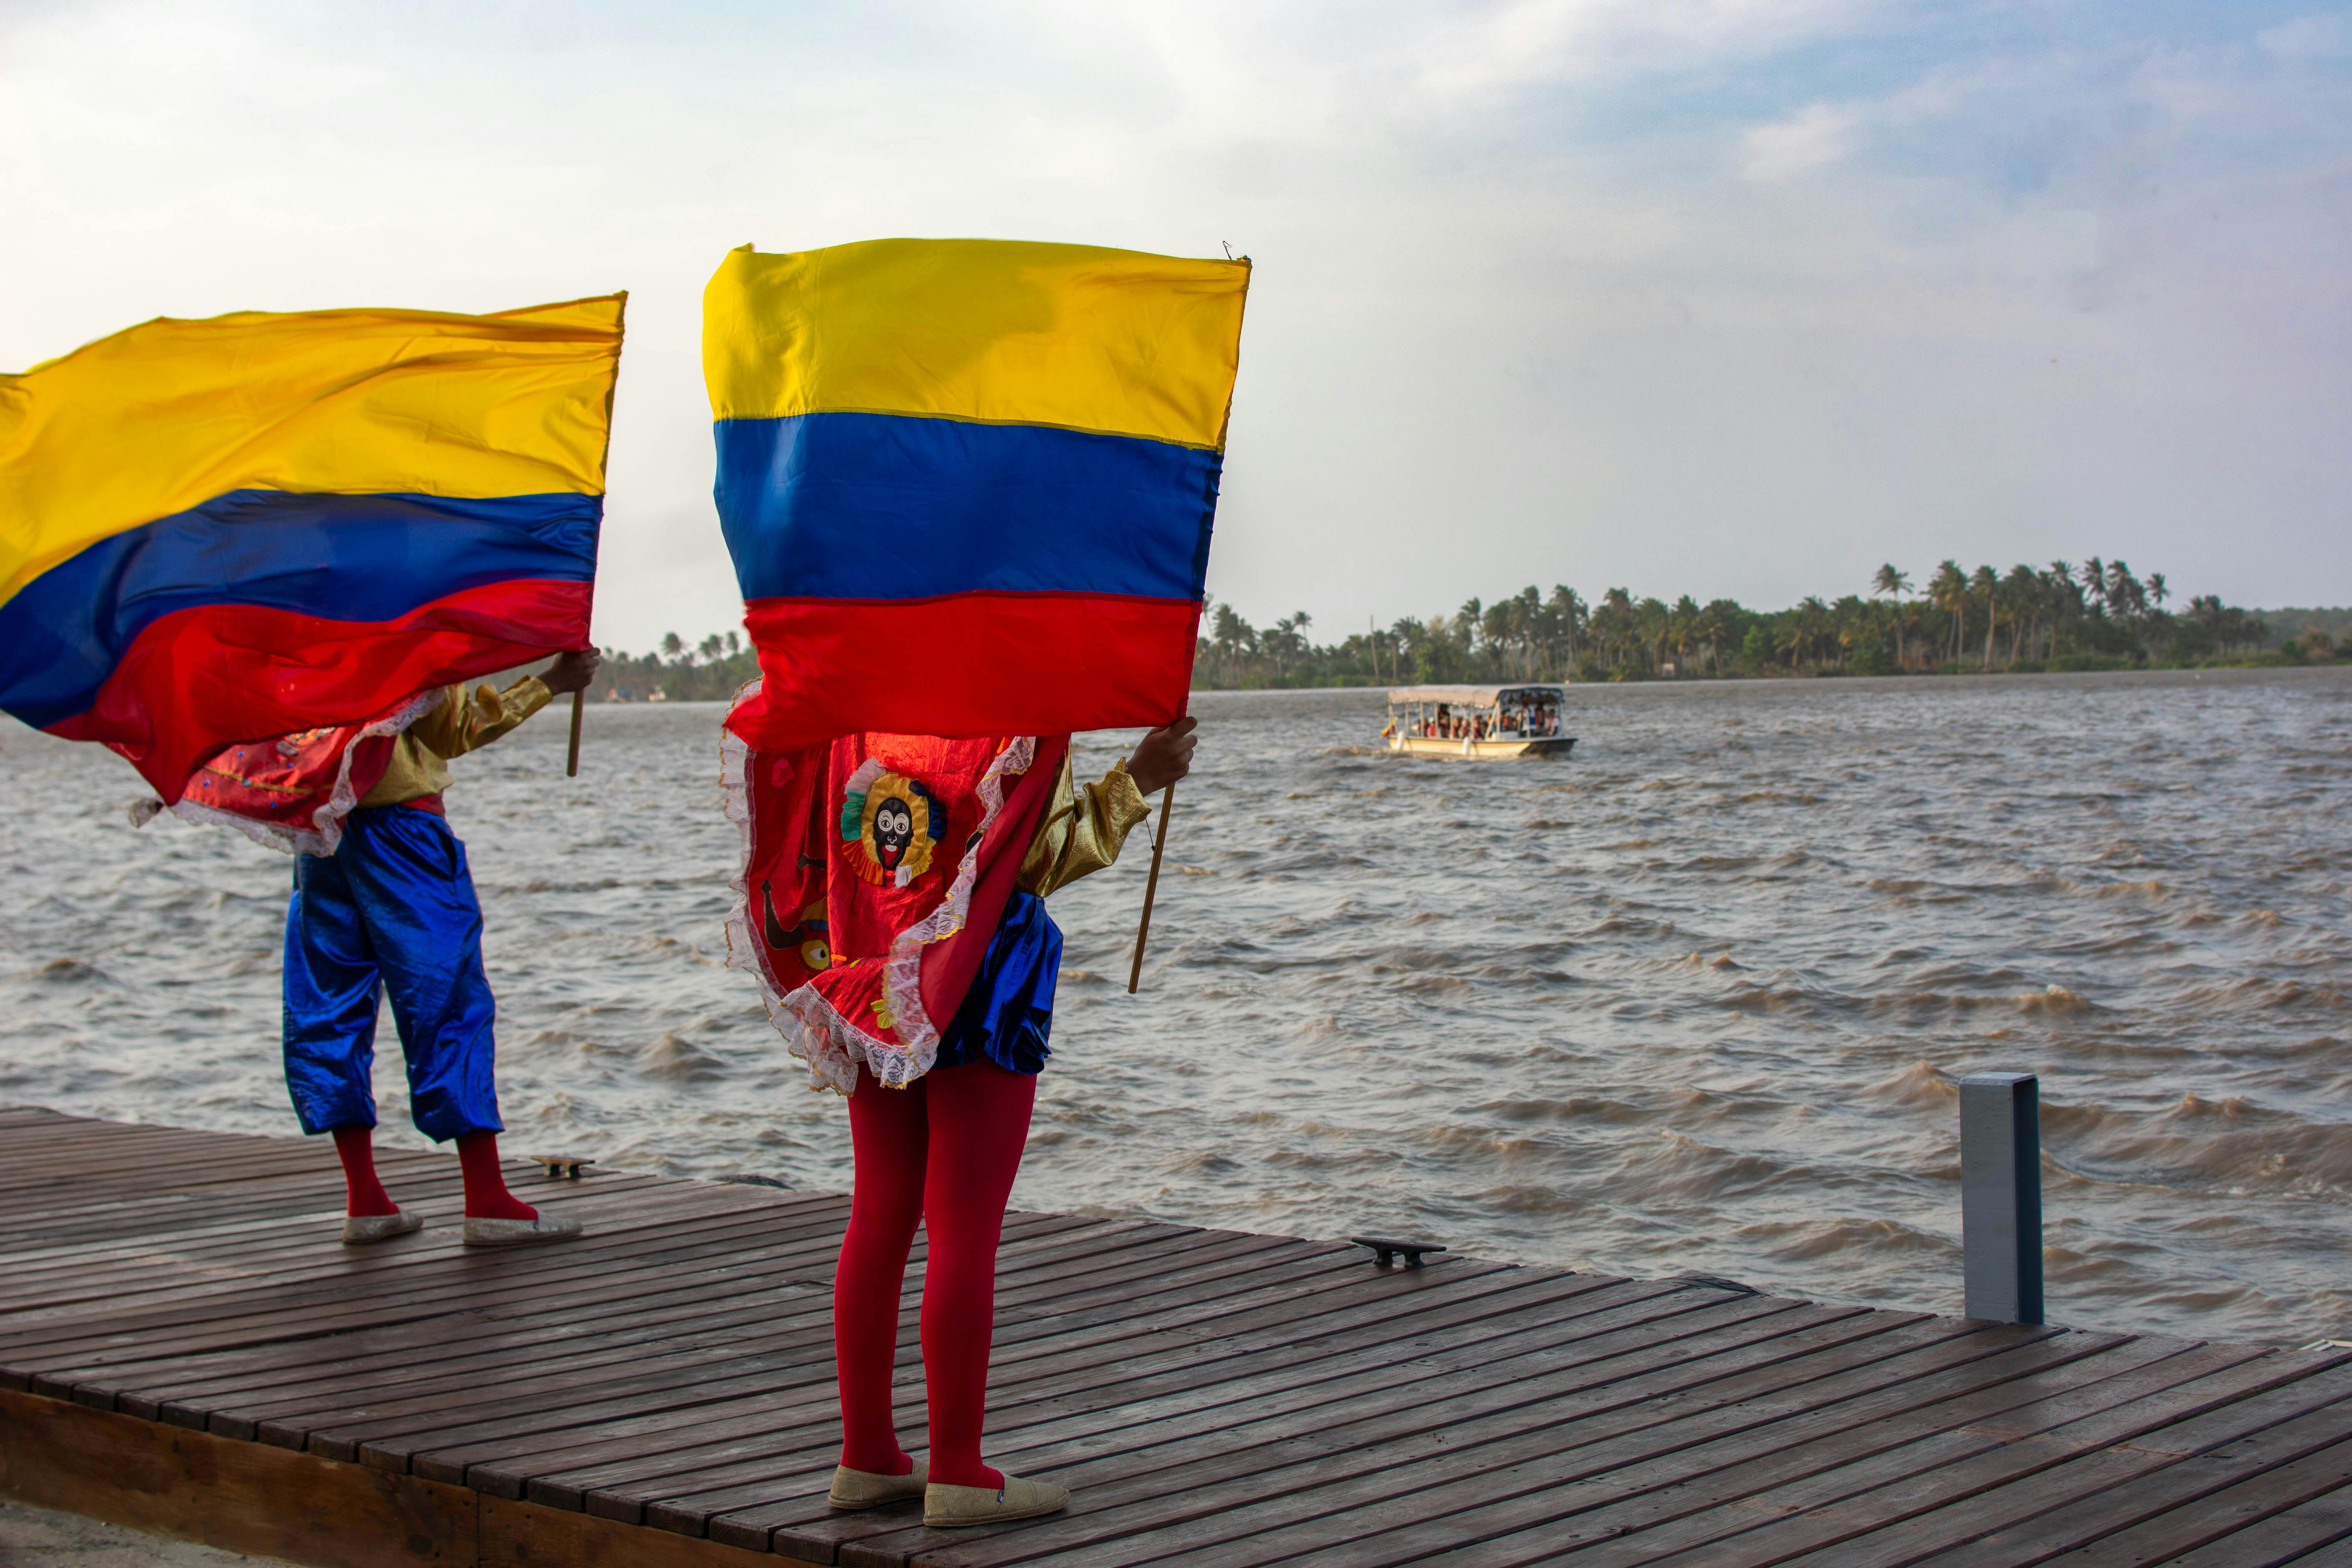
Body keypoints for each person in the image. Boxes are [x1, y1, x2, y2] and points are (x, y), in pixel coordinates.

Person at [824, 717, 1197, 1529]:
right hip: (982, 971)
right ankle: (956, 1468)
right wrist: (1138, 778)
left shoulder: (870, 705)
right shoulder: (1017, 716)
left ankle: (867, 1453)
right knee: (961, 1229)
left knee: (879, 1213)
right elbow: (1036, 858)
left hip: (877, 961)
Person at [285, 650, 601, 1248]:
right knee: (447, 1003)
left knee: (328, 1006)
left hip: (321, 830)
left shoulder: (312, 614)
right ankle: (485, 1197)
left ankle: (364, 1197)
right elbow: (451, 729)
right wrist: (549, 683)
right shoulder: (411, 610)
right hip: (402, 830)